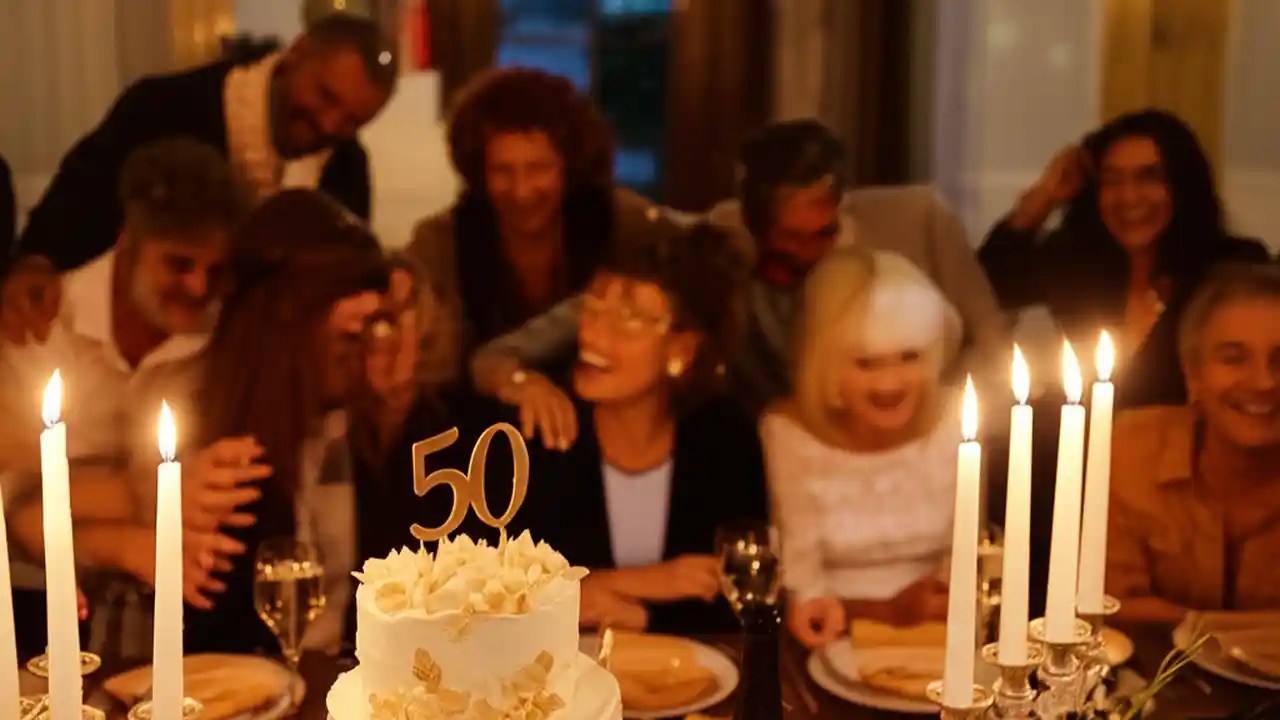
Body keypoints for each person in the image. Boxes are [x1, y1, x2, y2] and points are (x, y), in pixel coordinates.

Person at [468, 119, 1006, 446]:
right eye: (783, 239)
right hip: (775, 473)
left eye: (817, 234)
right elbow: (529, 343)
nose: (801, 254)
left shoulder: (918, 220)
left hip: (934, 449)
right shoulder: (716, 241)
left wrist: (934, 422)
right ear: (747, 218)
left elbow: (995, 345)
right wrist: (521, 380)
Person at [0, 138, 251, 656]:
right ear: (127, 245)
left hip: (172, 620)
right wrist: (139, 511)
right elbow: (19, 506)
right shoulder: (41, 323)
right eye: (179, 264)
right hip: (33, 616)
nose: (200, 287)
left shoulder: (221, 340)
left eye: (215, 269)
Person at [3, 14, 396, 344]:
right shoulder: (164, 107)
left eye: (352, 121)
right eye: (325, 96)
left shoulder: (346, 171)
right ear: (297, 52)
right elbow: (75, 203)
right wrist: (37, 263)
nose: (329, 123)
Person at [502, 219, 768, 635]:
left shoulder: (725, 437)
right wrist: (646, 581)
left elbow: (741, 602)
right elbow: (501, 597)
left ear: (681, 349)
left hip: (688, 681)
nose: (590, 334)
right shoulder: (540, 429)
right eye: (592, 306)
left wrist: (639, 616)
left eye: (627, 318)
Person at [184, 189, 389, 655]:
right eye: (343, 291)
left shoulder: (368, 432)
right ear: (284, 314)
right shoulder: (215, 456)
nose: (368, 313)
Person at [979, 109, 1272, 410]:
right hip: (1087, 451)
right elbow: (985, 289)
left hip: (1189, 452)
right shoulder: (1075, 266)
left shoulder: (1230, 270)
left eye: (1149, 177)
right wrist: (1043, 198)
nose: (1129, 197)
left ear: (1183, 187)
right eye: (1112, 181)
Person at [406, 66, 662, 389]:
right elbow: (427, 372)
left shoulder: (623, 222)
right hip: (477, 428)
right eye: (503, 171)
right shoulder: (442, 242)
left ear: (568, 165)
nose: (521, 191)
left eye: (538, 169)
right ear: (478, 171)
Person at [763, 247, 964, 649]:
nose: (891, 383)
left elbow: (970, 559)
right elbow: (799, 591)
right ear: (827, 364)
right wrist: (887, 613)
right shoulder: (787, 432)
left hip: (945, 641)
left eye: (909, 357)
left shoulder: (956, 418)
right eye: (866, 363)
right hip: (826, 644)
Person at [1107, 262, 1280, 623]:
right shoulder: (1130, 448)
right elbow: (1110, 606)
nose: (1264, 382)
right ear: (1193, 373)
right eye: (1234, 359)